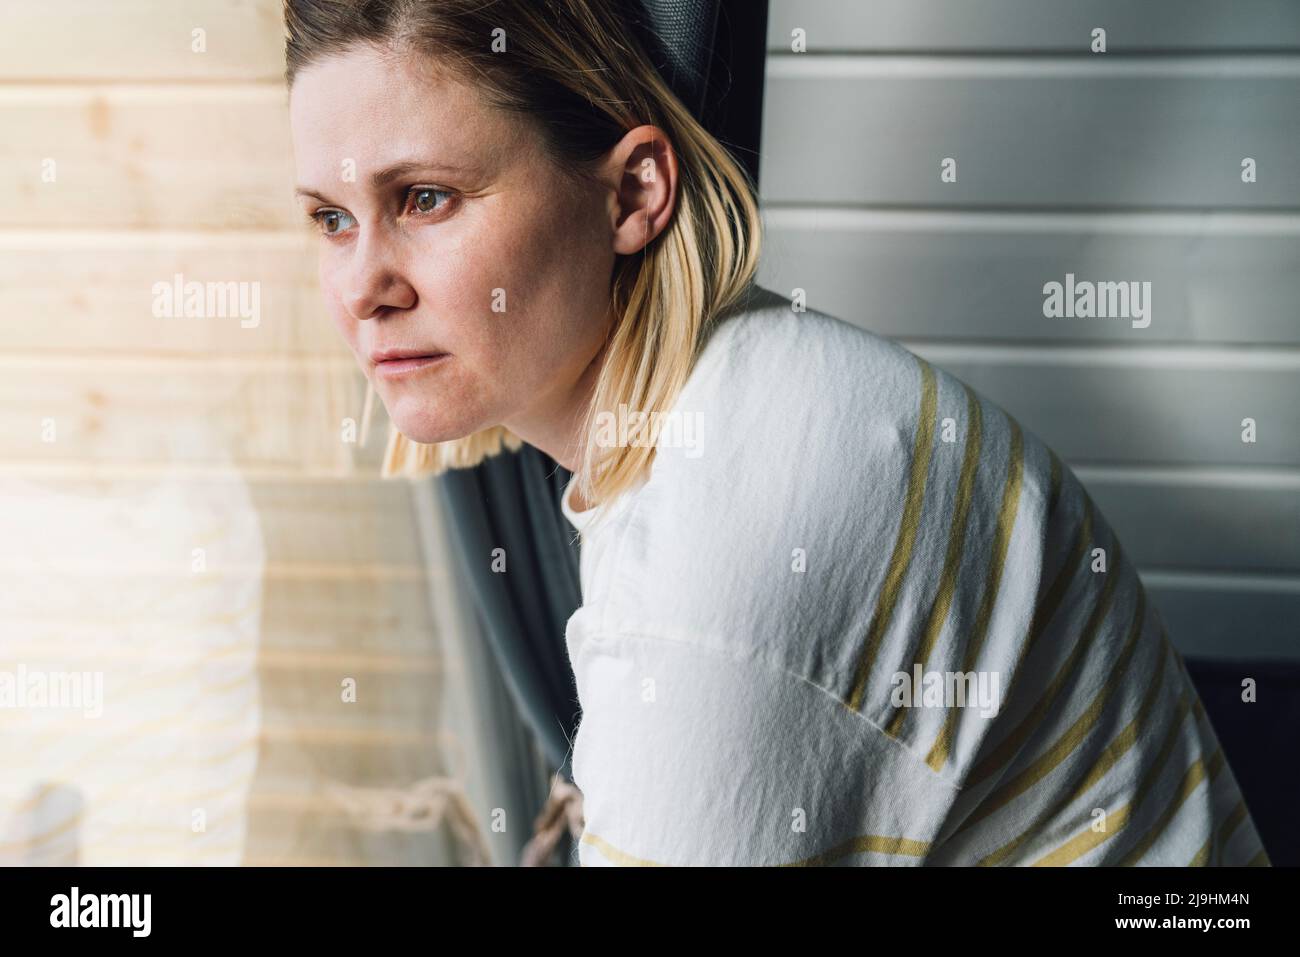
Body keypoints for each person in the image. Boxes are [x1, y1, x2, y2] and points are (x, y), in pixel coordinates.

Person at [284, 0, 1270, 866]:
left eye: (425, 199)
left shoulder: (715, 573)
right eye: (331, 218)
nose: (364, 287)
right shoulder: (746, 396)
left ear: (631, 194)